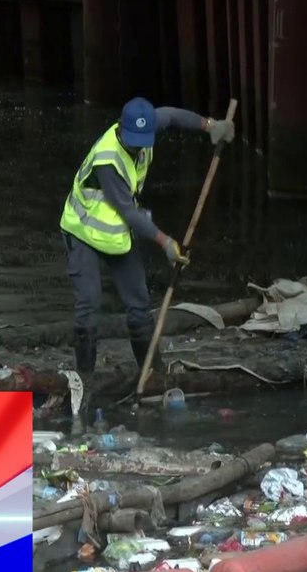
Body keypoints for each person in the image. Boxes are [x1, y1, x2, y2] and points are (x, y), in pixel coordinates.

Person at [60, 97, 235, 372]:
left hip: (116, 232)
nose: (138, 145)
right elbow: (129, 212)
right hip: (82, 230)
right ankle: (85, 378)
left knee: (139, 304)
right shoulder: (108, 161)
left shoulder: (148, 124)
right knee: (89, 304)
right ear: (121, 127)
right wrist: (165, 243)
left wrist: (210, 125)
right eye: (133, 139)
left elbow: (174, 115)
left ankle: (152, 373)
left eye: (143, 139)